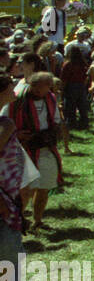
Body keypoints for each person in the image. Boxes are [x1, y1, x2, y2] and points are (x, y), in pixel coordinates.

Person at [0, 77, 33, 281]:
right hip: (3, 215)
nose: (15, 90)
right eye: (9, 87)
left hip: (8, 210)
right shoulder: (4, 125)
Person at [5, 72, 62, 232]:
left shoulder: (50, 98)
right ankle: (17, 220)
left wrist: (53, 132)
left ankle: (38, 220)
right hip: (23, 149)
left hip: (45, 146)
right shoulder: (16, 100)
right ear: (35, 87)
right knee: (26, 189)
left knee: (44, 186)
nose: (49, 89)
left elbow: (56, 119)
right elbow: (3, 123)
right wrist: (17, 134)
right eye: (46, 86)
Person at [59, 45, 91, 132]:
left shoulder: (68, 64)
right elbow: (86, 76)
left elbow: (64, 78)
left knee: (70, 106)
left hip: (71, 86)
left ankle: (72, 123)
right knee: (82, 106)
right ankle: (84, 123)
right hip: (81, 86)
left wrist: (62, 89)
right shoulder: (83, 63)